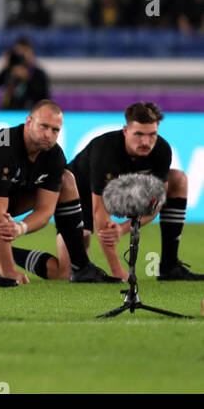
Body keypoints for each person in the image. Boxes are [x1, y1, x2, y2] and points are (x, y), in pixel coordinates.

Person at [0, 101, 115, 284]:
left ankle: (81, 267)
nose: (48, 134)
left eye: (55, 130)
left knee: (67, 180)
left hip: (4, 211)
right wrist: (9, 271)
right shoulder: (2, 149)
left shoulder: (54, 156)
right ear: (28, 122)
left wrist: (19, 228)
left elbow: (45, 211)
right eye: (44, 126)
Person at [60, 102, 201, 281]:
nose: (145, 142)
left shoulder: (161, 150)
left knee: (179, 179)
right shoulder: (106, 151)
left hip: (123, 189)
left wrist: (122, 229)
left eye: (152, 135)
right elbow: (100, 213)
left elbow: (158, 201)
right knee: (64, 270)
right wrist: (118, 271)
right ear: (126, 130)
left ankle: (169, 266)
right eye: (139, 134)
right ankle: (16, 253)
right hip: (79, 193)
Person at [0, 37, 50, 111]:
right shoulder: (10, 70)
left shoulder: (37, 73)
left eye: (24, 51)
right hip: (7, 111)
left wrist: (27, 78)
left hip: (28, 112)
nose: (21, 54)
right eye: (18, 51)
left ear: (31, 52)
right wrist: (5, 67)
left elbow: (44, 95)